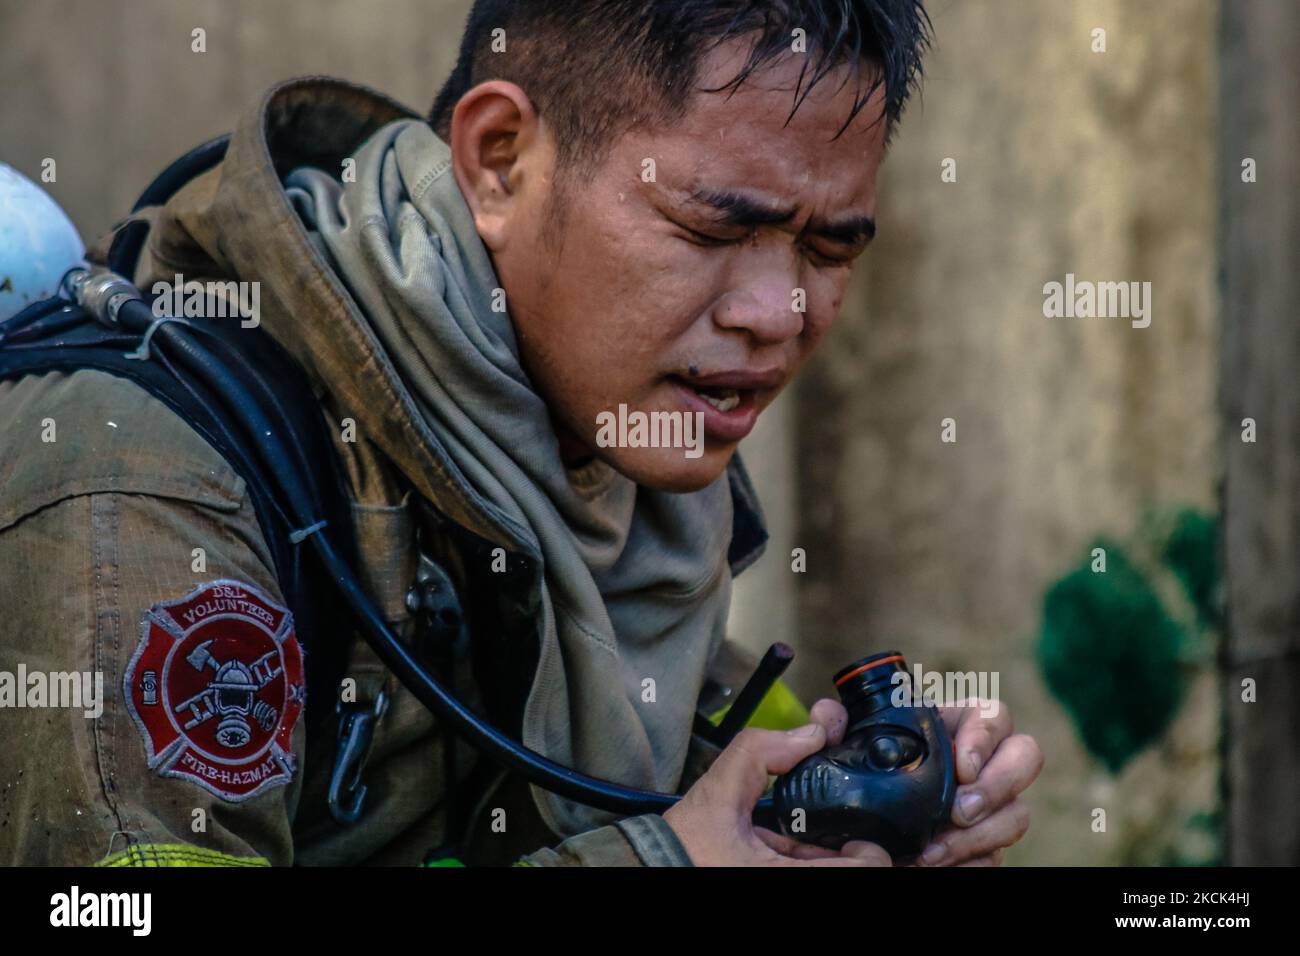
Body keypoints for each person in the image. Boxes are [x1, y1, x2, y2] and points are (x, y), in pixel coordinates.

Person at [0, 0, 1041, 866]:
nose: (780, 312)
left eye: (828, 247)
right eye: (712, 229)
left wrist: (851, 802)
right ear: (500, 162)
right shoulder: (143, 486)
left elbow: (696, 770)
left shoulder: (618, 468)